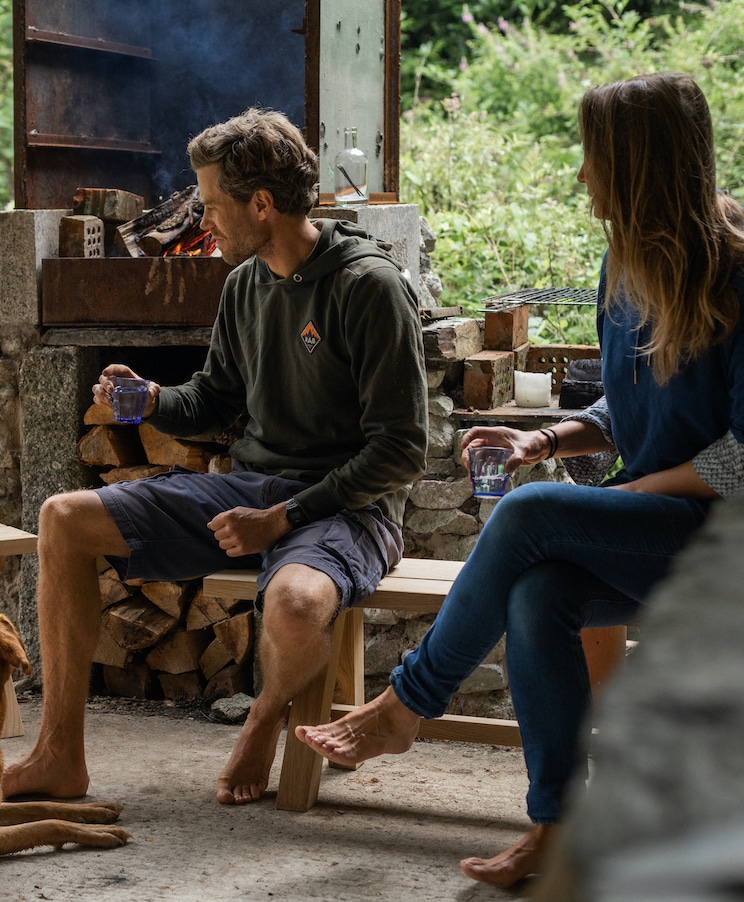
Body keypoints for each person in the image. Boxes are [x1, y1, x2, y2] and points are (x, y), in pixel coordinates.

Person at [296, 71, 744, 887]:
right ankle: (557, 828)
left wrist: (625, 495)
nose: (580, 175)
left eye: (592, 156)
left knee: (531, 516)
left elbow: (739, 458)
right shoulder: (625, 264)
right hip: (661, 530)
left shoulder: (737, 275)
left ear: (637, 163)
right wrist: (547, 439)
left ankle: (408, 703)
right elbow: (629, 402)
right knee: (540, 595)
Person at [2, 108, 429, 805]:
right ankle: (58, 756)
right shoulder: (244, 283)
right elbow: (214, 400)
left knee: (295, 603)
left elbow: (401, 449)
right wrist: (150, 401)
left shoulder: (367, 287)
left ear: (261, 204)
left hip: (349, 509)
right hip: (254, 489)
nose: (203, 222)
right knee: (63, 518)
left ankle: (263, 720)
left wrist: (284, 518)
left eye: (211, 205)